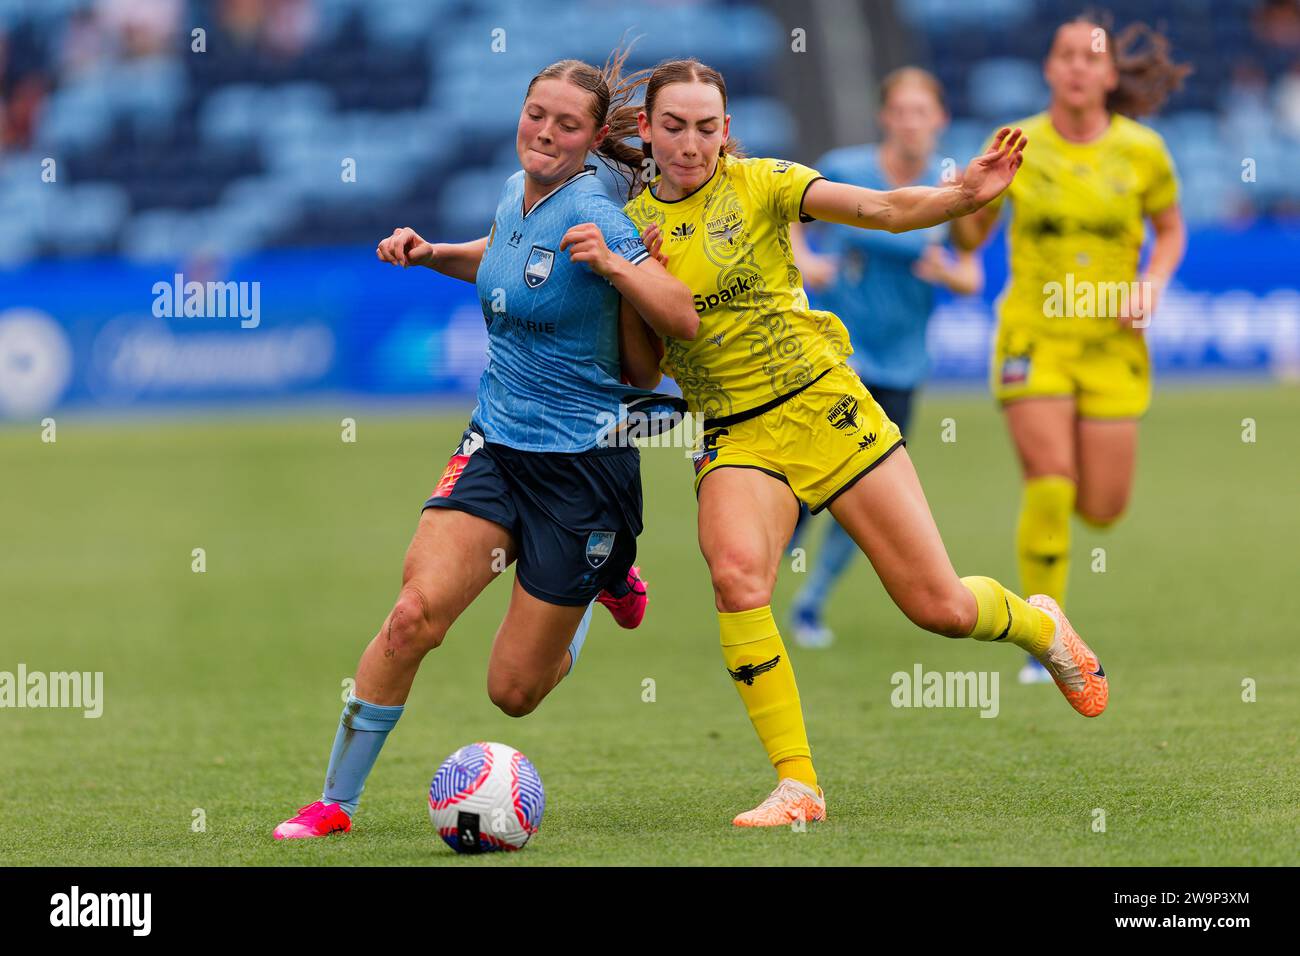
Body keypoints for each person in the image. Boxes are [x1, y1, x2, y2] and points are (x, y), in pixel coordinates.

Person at [616, 57, 1107, 828]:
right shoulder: (629, 225)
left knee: (939, 608)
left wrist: (961, 196)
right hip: (735, 432)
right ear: (645, 129)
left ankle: (1040, 624)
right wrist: (629, 276)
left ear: (727, 131)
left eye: (707, 128)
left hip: (825, 406)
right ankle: (798, 784)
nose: (690, 143)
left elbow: (880, 208)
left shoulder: (764, 182)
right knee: (738, 577)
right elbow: (640, 365)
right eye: (673, 127)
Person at [273, 52, 698, 840]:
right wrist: (433, 252)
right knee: (412, 617)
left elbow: (682, 315)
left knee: (514, 692)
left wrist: (618, 265)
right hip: (496, 444)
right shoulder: (515, 191)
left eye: (566, 123)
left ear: (594, 135)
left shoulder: (601, 216)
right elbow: (506, 257)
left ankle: (604, 573)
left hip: (585, 469)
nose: (544, 131)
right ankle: (336, 803)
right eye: (536, 113)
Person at [950, 17, 1188, 684]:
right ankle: (1046, 636)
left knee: (1103, 510)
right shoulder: (1016, 144)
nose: (1079, 68)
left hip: (1112, 344)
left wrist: (1152, 282)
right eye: (1066, 57)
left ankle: (1052, 594)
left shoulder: (1144, 152)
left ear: (1110, 75)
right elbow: (969, 243)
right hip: (1035, 336)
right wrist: (975, 198)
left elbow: (1170, 231)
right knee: (1050, 483)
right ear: (1050, 70)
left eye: (1092, 58)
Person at [786, 66, 983, 647]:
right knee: (802, 486)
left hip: (903, 363)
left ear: (940, 119)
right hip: (837, 358)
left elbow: (972, 271)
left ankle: (812, 602)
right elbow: (783, 217)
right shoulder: (847, 171)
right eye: (901, 110)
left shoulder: (951, 186)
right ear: (885, 116)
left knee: (870, 497)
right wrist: (807, 261)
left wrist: (948, 270)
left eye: (923, 111)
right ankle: (758, 588)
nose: (911, 122)